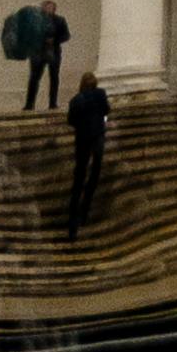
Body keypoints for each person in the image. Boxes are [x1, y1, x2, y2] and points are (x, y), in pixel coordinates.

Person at [65, 65, 112, 237]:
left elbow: (70, 121)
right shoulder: (100, 94)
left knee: (78, 180)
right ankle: (84, 211)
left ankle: (73, 223)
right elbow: (107, 110)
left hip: (82, 140)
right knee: (94, 173)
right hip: (97, 138)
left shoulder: (76, 100)